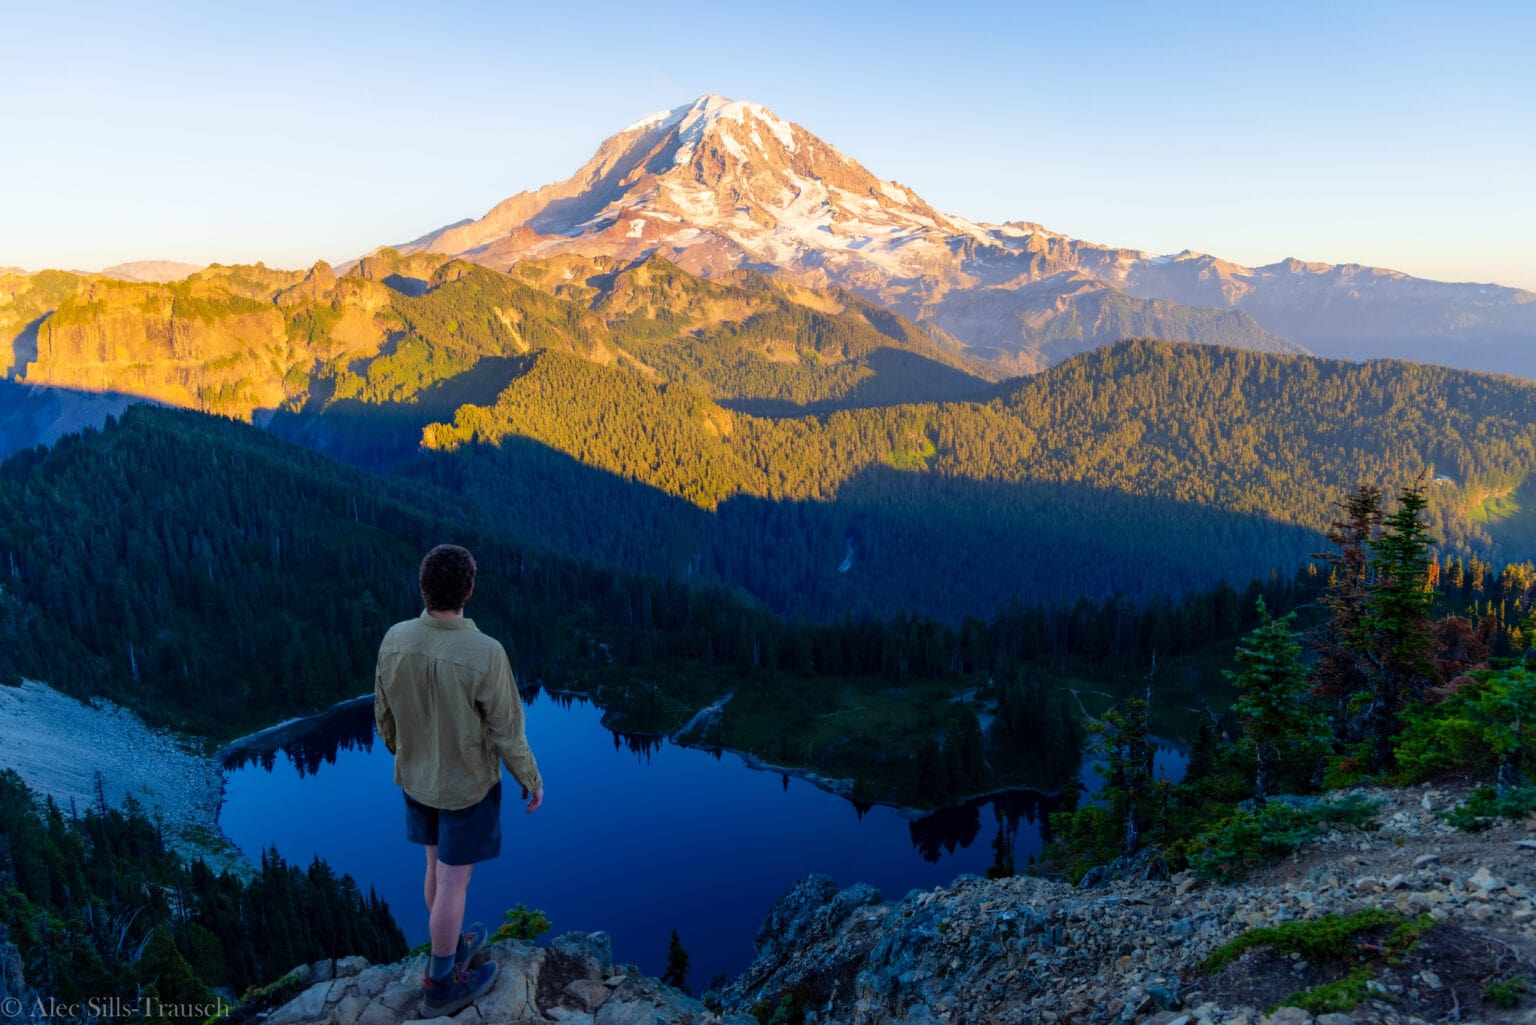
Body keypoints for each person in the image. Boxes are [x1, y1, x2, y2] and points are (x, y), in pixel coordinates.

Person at [375, 543, 544, 1018]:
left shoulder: (394, 639)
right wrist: (530, 778)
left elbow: (382, 713)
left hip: (416, 780)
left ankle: (446, 945)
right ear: (469, 589)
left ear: (423, 588)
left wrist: (403, 753)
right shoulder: (485, 653)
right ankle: (442, 982)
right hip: (465, 786)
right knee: (453, 882)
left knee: (434, 868)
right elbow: (507, 730)